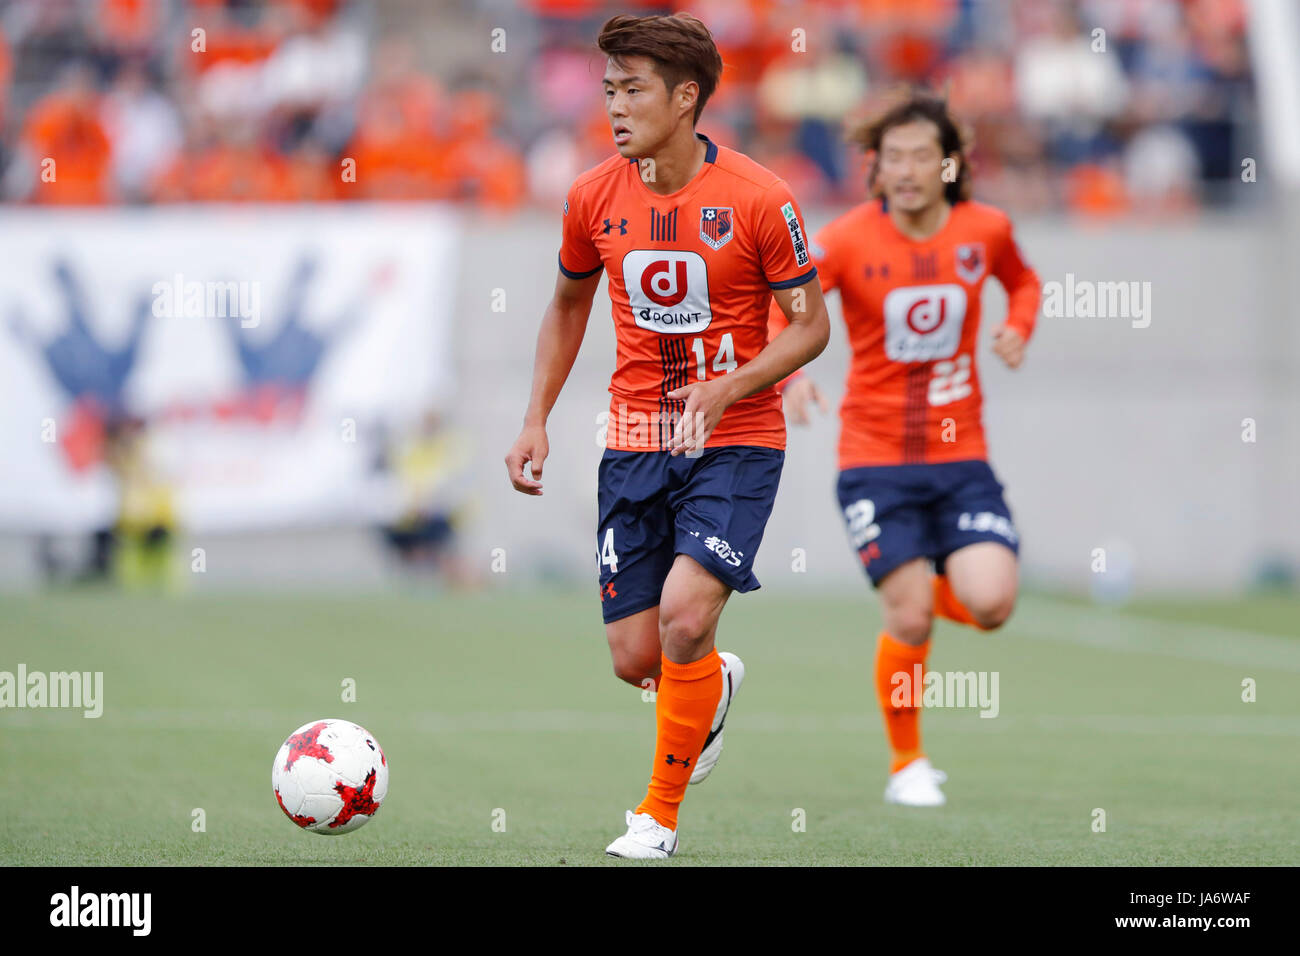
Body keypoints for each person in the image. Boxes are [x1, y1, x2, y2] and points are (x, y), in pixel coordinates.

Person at [505, 12, 829, 857]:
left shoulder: (760, 198)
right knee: (633, 655)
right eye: (608, 88)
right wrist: (536, 416)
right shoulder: (591, 197)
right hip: (635, 440)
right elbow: (568, 304)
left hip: (738, 436)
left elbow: (809, 327)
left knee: (686, 618)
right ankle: (710, 683)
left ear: (687, 99)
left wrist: (732, 384)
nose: (614, 106)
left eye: (633, 89)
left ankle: (656, 816)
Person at [770, 93, 1041, 807]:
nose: (909, 170)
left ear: (950, 163)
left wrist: (1018, 325)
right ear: (876, 168)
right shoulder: (847, 239)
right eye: (894, 157)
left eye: (924, 155)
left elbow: (1024, 281)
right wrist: (789, 376)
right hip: (874, 461)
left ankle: (925, 588)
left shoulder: (986, 229)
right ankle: (906, 764)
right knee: (912, 616)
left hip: (962, 459)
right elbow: (787, 309)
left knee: (992, 604)